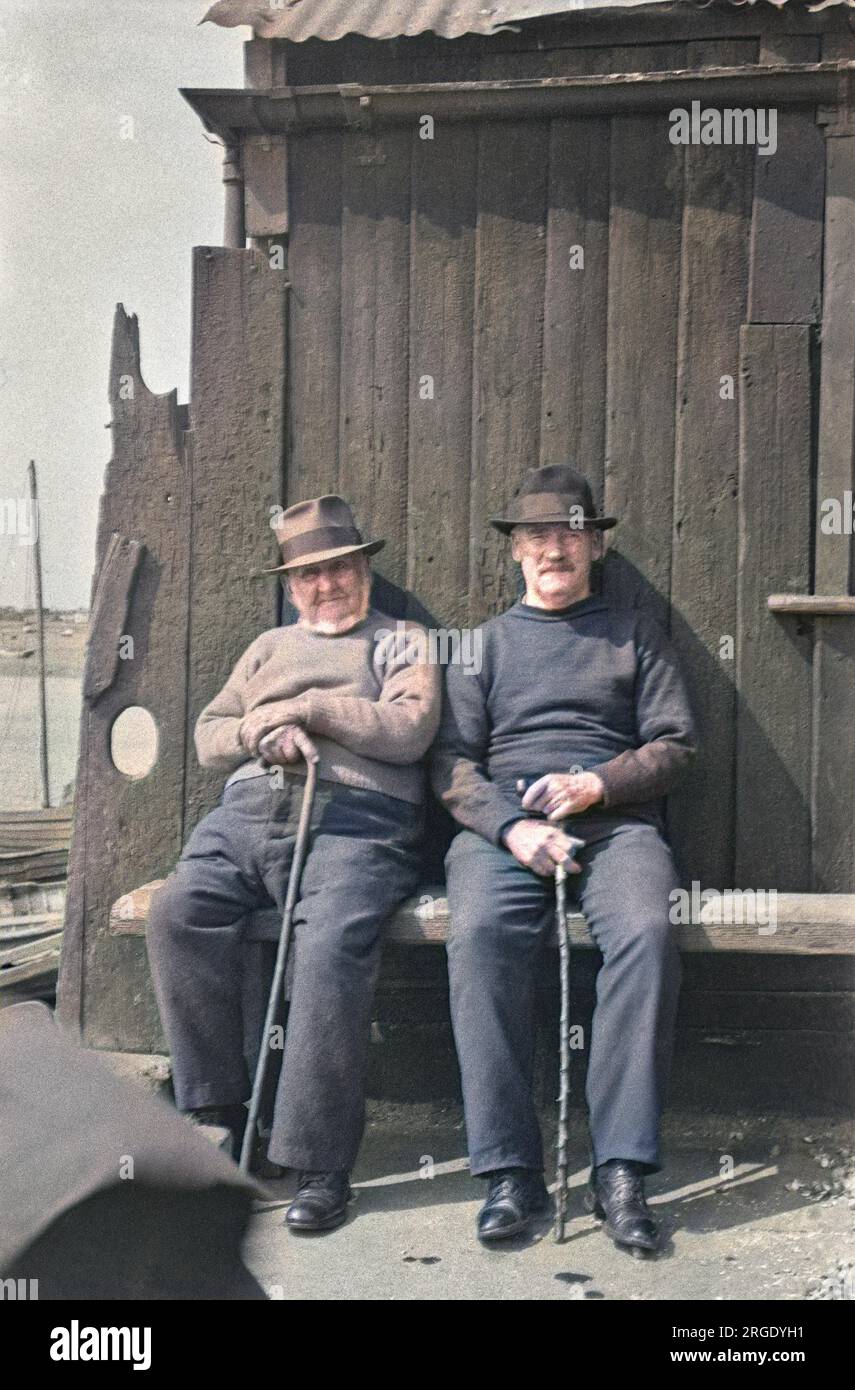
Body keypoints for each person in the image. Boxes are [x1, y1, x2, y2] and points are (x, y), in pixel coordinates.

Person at [147, 495, 441, 1234]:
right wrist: (260, 733)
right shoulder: (264, 648)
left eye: (339, 568)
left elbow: (409, 730)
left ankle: (318, 1164)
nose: (326, 586)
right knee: (177, 911)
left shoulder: (404, 640)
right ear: (290, 585)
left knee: (330, 947)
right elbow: (209, 733)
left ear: (363, 569)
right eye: (308, 576)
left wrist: (311, 712)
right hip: (246, 815)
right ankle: (220, 1114)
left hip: (359, 821)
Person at [430, 464, 697, 1254]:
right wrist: (512, 829)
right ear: (514, 550)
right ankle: (509, 1171)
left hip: (615, 825)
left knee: (647, 934)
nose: (555, 548)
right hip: (505, 835)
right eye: (537, 535)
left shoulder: (633, 634)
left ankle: (619, 1168)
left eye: (570, 533)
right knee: (477, 936)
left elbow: (675, 745)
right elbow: (451, 765)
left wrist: (596, 785)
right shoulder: (480, 648)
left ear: (592, 546)